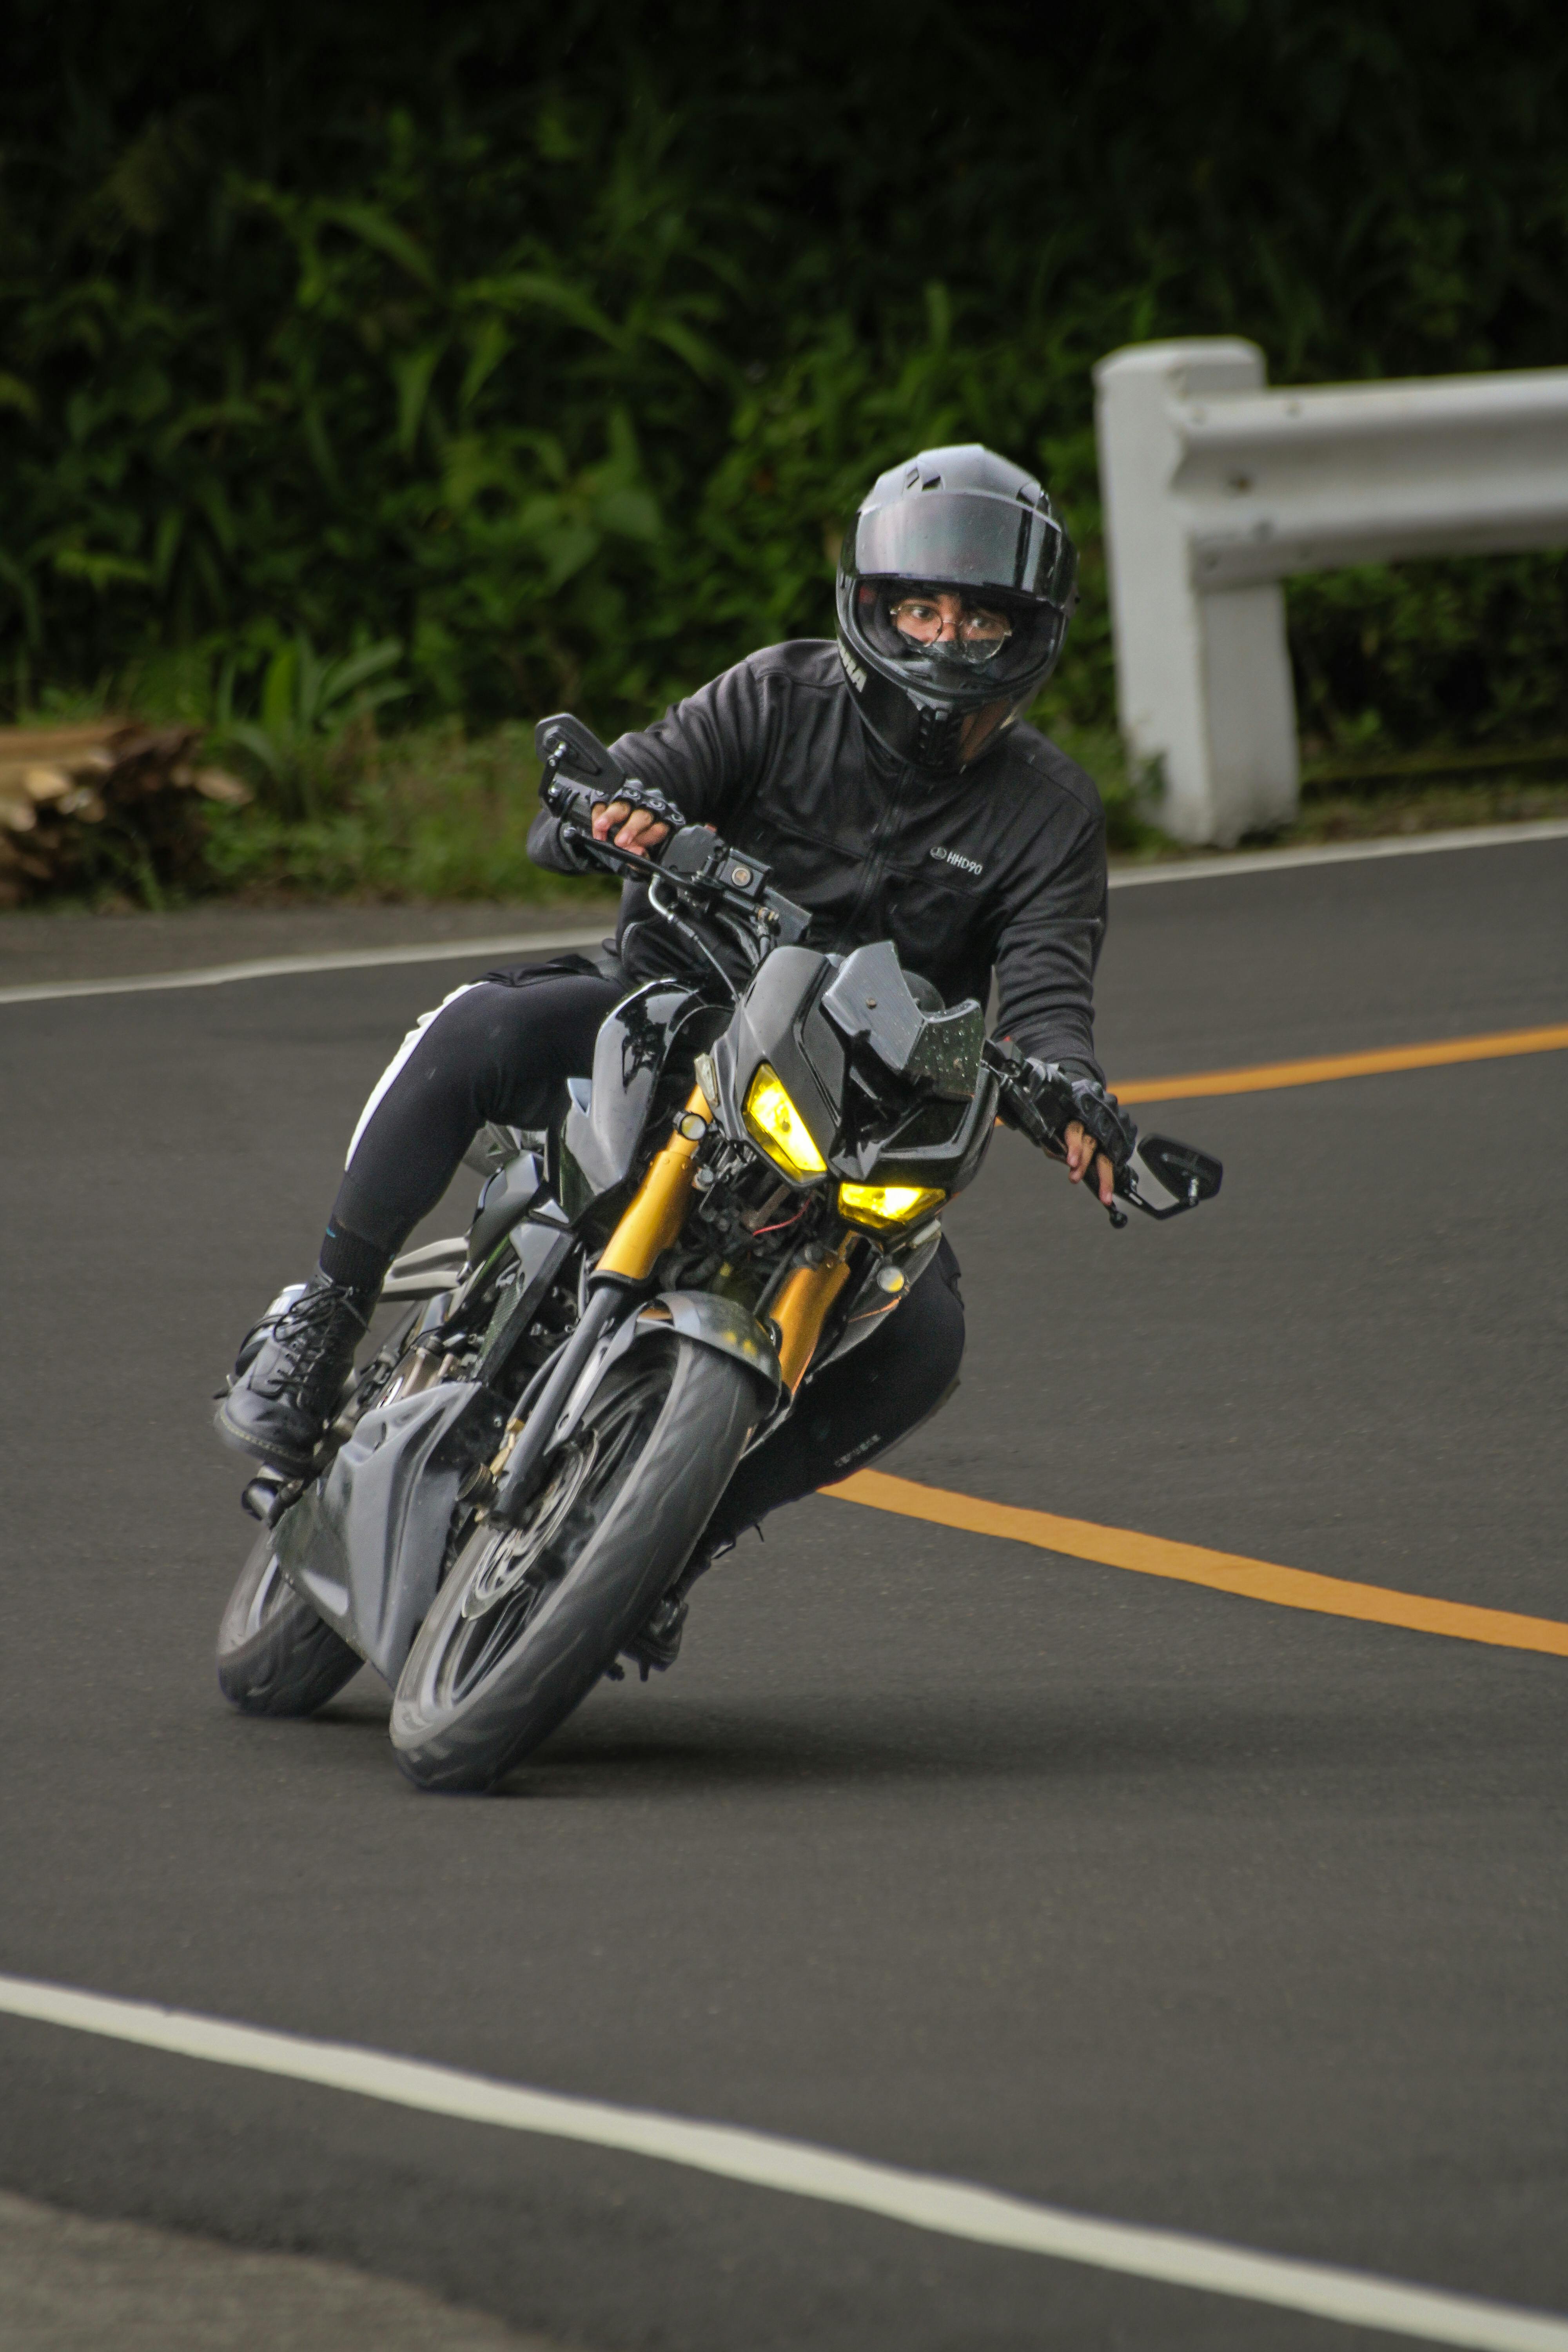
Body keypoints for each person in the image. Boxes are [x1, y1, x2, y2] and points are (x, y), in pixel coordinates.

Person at [218, 443, 1132, 1635]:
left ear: (1030, 633)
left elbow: (1053, 999)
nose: (944, 639)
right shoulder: (774, 695)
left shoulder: (1052, 816)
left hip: (855, 1123)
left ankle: (671, 1545)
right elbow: (618, 790)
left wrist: (1069, 1089)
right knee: (481, 1025)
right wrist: (614, 808)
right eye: (919, 606)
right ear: (870, 606)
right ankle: (323, 1322)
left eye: (978, 619)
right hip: (670, 1018)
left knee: (929, 1336)